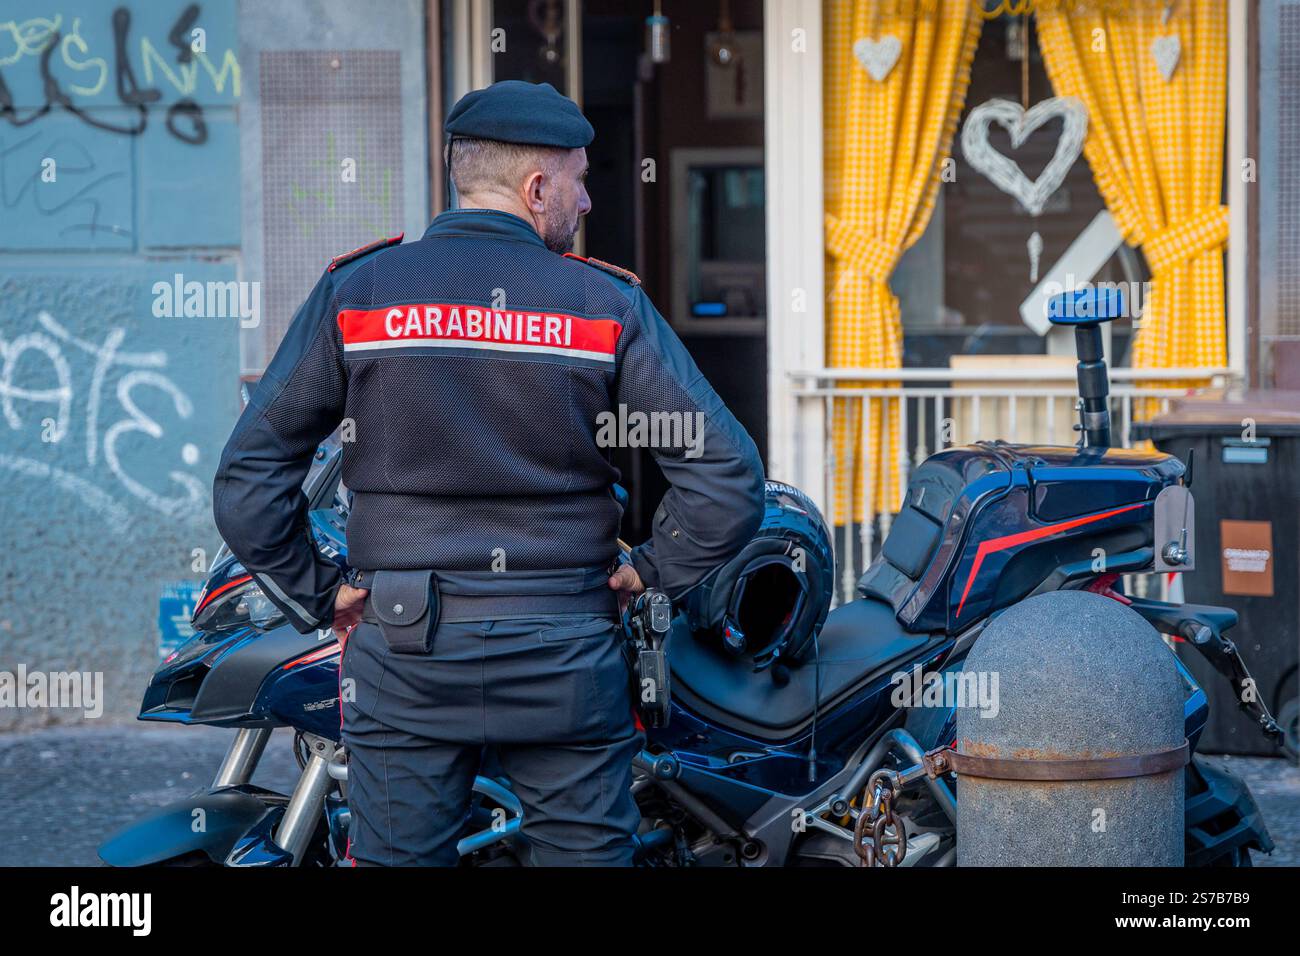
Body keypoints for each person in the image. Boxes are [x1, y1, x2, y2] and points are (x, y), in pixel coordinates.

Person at [212, 80, 764, 866]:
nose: (588, 200)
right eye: (579, 179)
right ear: (537, 189)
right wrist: (650, 569)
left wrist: (318, 590)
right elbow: (728, 476)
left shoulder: (362, 292)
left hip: (403, 652)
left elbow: (247, 478)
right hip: (566, 648)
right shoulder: (601, 304)